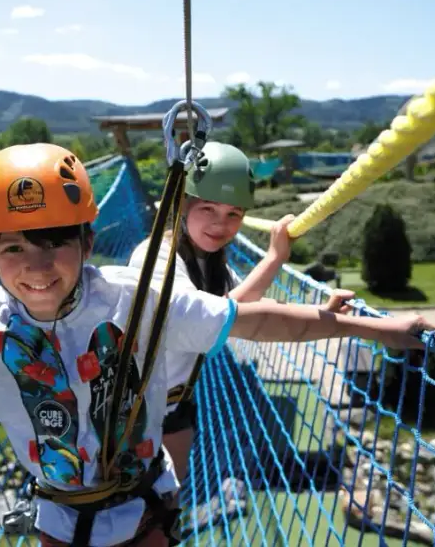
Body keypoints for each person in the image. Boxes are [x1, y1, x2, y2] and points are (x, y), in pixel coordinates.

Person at [0, 143, 435, 547]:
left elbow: (258, 321)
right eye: (15, 247)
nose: (38, 266)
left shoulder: (143, 301)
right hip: (59, 518)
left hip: (142, 511)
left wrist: (375, 330)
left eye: (56, 243)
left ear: (86, 241)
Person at [127, 141, 303, 481]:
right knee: (131, 509)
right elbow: (215, 319)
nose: (220, 225)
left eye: (233, 214)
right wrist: (274, 258)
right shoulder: (154, 258)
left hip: (176, 402)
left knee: (168, 502)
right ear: (183, 206)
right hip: (132, 408)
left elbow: (246, 303)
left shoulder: (211, 262)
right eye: (208, 209)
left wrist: (320, 312)